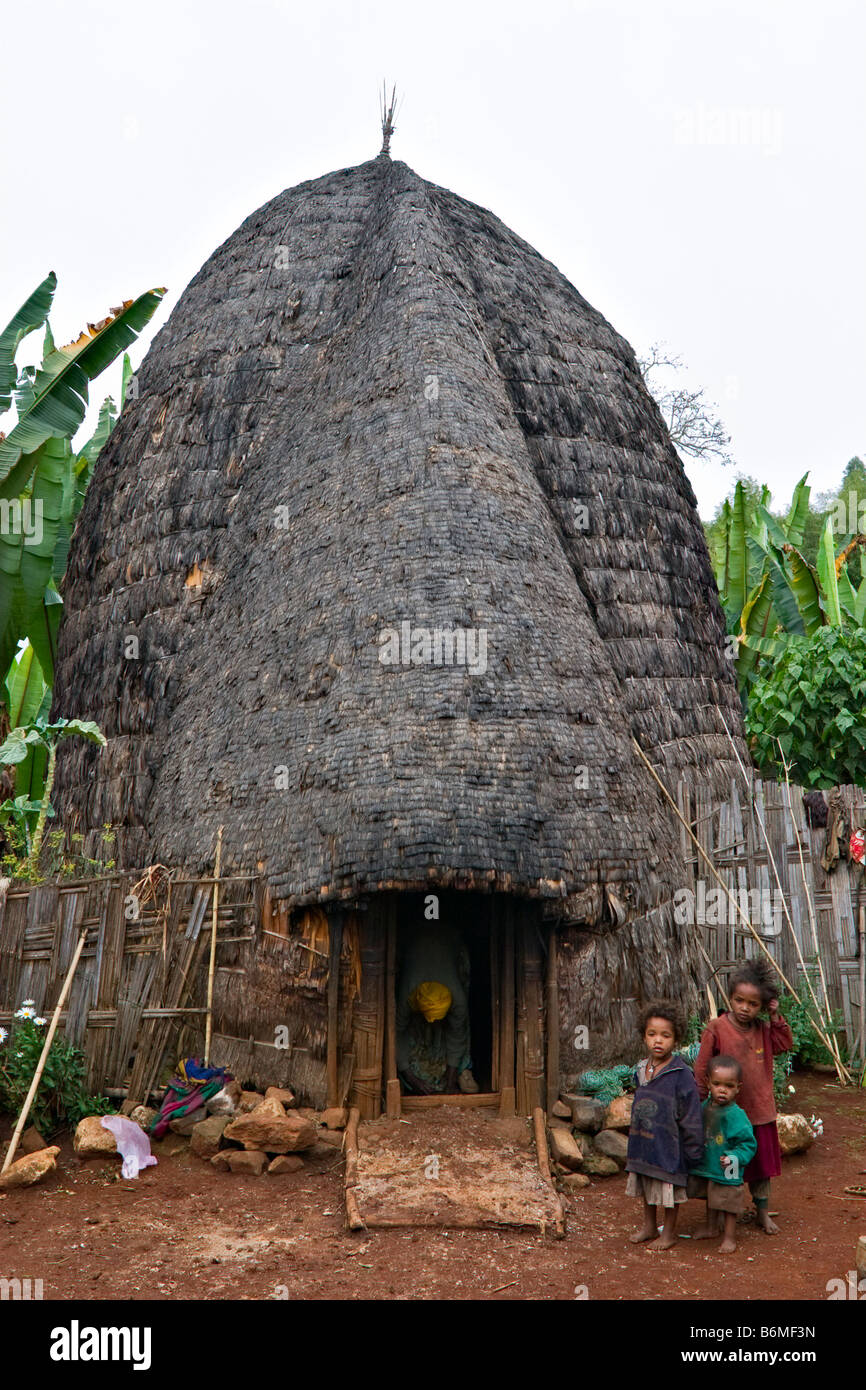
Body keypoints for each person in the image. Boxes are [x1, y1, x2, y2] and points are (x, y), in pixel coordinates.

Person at [694, 959, 793, 1234]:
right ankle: (716, 1220)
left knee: (761, 1168)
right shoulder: (716, 1028)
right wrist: (701, 1105)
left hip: (759, 1111)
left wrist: (775, 1017)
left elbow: (784, 1044)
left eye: (753, 1004)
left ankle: (762, 1213)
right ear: (730, 997)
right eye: (739, 1000)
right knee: (718, 1165)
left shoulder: (763, 1030)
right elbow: (701, 1067)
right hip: (722, 1116)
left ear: (761, 1006)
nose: (745, 1008)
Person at [625, 1000, 704, 1250]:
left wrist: (694, 1149)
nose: (658, 1040)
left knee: (669, 1191)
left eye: (665, 1035)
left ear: (676, 1039)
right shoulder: (641, 1069)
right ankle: (649, 1226)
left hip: (669, 1146)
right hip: (643, 1142)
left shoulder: (681, 1075)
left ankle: (668, 1232)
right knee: (647, 1183)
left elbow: (691, 1115)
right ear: (644, 1036)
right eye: (652, 1034)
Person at [395, 922, 479, 1095]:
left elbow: (457, 1033)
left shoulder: (457, 998)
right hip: (414, 937)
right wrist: (411, 1077)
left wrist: (451, 1080)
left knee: (462, 1026)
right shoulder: (408, 994)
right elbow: (396, 1033)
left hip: (451, 940)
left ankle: (463, 1069)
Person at [687, 1055, 756, 1253]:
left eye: (729, 1085)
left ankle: (729, 1237)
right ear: (708, 1082)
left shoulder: (736, 1115)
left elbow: (748, 1144)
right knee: (712, 1196)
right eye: (717, 1084)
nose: (722, 1090)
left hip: (729, 1167)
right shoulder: (705, 1107)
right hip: (709, 1163)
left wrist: (735, 1157)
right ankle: (711, 1227)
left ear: (738, 1087)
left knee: (728, 1202)